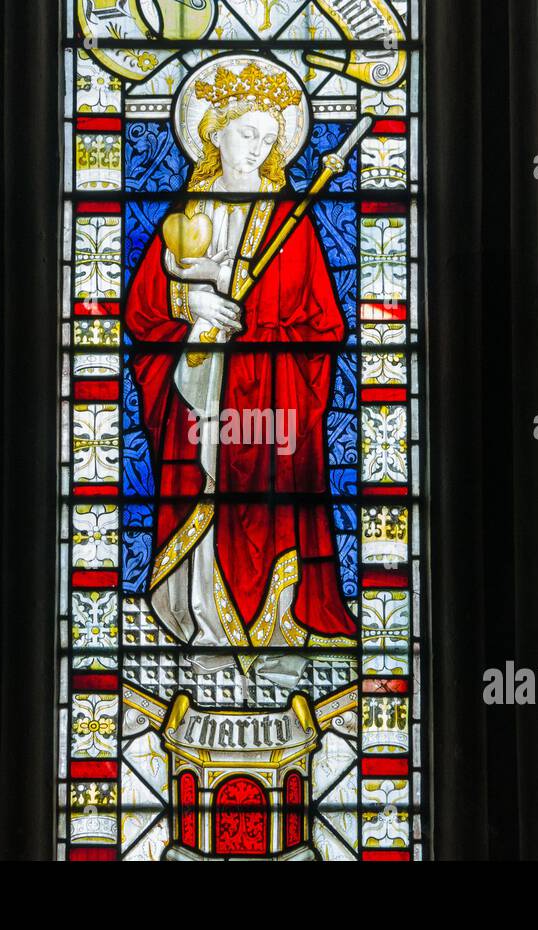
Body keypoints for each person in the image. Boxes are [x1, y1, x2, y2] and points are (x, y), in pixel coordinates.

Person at [125, 56, 356, 683]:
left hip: (269, 400)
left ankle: (276, 631)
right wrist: (191, 302)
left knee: (265, 503)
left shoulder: (289, 222)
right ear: (215, 132)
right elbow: (144, 313)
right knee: (201, 494)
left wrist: (258, 330)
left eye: (269, 137)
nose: (260, 147)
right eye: (248, 132)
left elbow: (325, 328)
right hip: (195, 395)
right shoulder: (186, 218)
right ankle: (206, 626)